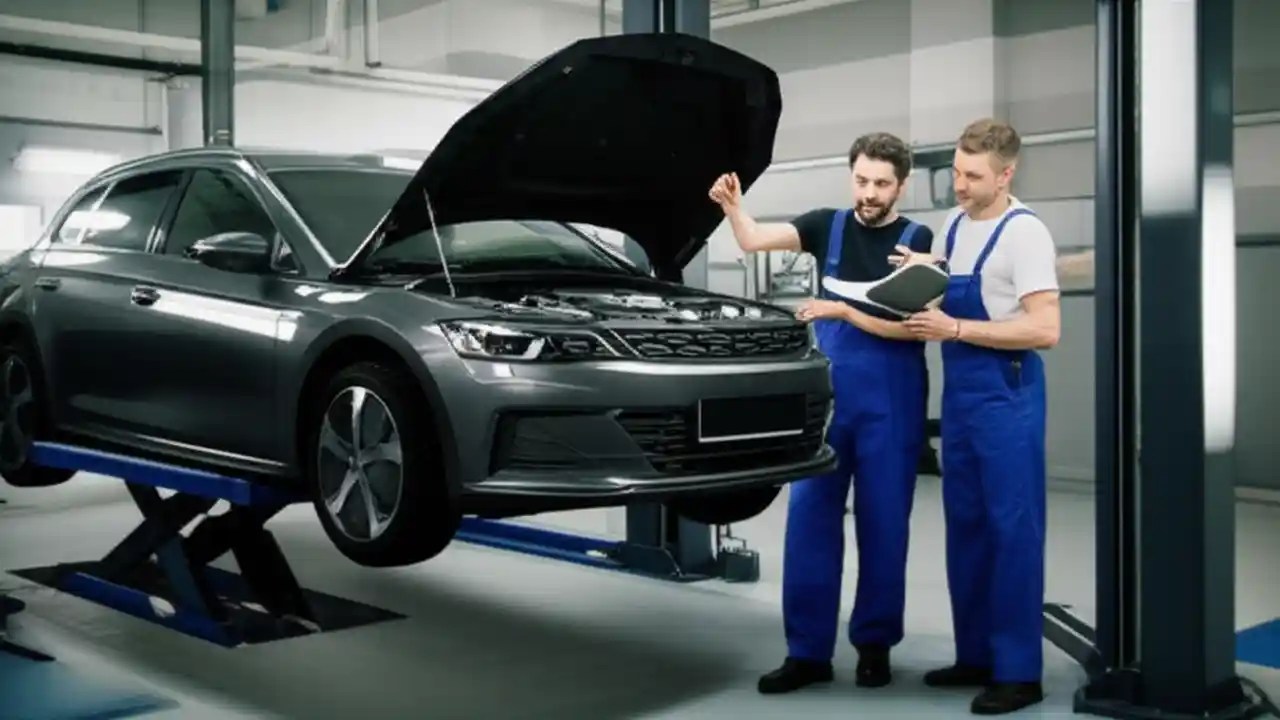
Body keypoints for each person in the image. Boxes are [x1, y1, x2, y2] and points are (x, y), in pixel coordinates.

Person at [708, 132, 934, 694]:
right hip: (828, 400)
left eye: (881, 184)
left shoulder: (917, 240)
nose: (869, 193)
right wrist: (733, 207)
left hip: (892, 403)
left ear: (901, 185)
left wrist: (842, 311)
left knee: (885, 523)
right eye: (861, 180)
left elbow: (915, 328)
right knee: (809, 518)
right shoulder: (823, 226)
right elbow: (754, 239)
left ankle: (875, 646)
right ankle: (806, 652)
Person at [899, 118, 1060, 716]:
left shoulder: (1026, 235)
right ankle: (976, 655)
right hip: (962, 399)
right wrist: (917, 270)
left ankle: (1019, 673)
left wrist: (957, 328)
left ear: (1006, 174)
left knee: (1012, 530)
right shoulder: (955, 223)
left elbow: (1045, 329)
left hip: (1007, 396)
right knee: (965, 527)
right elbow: (945, 287)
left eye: (972, 176)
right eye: (957, 172)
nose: (959, 185)